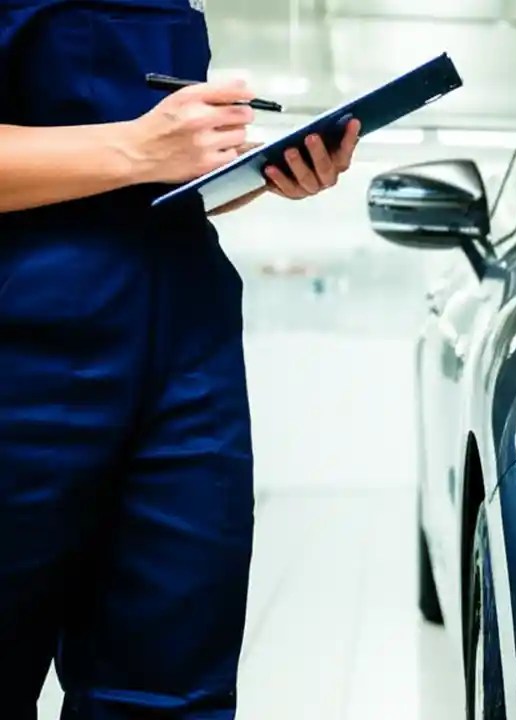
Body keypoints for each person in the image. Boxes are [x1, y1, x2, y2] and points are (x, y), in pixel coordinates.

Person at [0, 1, 360, 717]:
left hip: (186, 351)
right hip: (21, 339)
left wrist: (255, 173)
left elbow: (155, 188)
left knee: (171, 682)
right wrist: (137, 148)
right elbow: (132, 156)